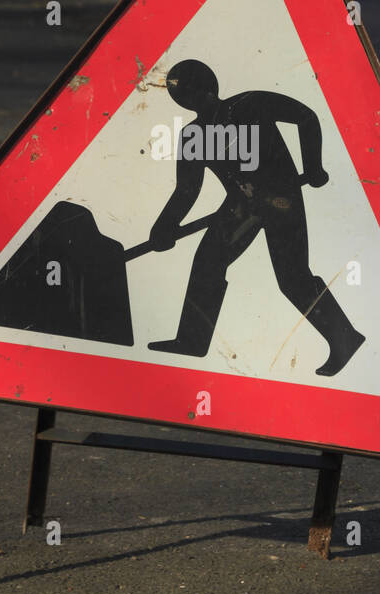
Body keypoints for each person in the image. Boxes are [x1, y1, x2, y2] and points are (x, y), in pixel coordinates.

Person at [148, 60, 365, 376]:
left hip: (281, 199)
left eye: (193, 91)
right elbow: (187, 190)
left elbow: (305, 117)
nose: (189, 99)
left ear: (210, 87)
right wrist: (164, 226)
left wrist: (313, 166)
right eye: (181, 94)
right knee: (207, 262)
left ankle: (344, 337)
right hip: (240, 205)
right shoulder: (194, 135)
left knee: (292, 277)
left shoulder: (250, 104)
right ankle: (192, 340)